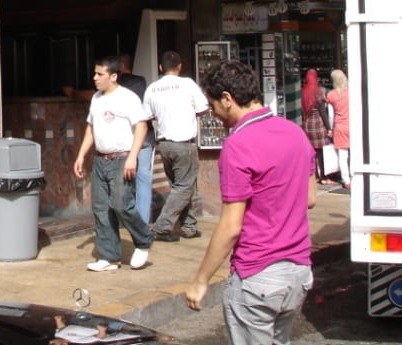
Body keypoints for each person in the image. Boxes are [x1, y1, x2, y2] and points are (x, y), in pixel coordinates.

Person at [186, 60, 315, 344]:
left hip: (257, 275)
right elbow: (310, 199)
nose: (213, 113)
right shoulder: (294, 132)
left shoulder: (237, 145)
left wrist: (201, 280)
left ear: (228, 99)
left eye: (213, 105)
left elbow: (231, 226)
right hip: (298, 272)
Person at [73, 56, 153, 272]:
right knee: (100, 208)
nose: (95, 78)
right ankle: (109, 256)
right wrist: (81, 155)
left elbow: (142, 127)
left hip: (121, 158)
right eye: (95, 73)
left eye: (100, 74)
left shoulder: (127, 98)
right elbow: (91, 128)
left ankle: (144, 239)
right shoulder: (97, 98)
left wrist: (132, 157)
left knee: (120, 204)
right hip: (101, 159)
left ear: (114, 76)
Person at [142, 51, 209, 241]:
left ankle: (189, 225)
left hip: (164, 145)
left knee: (180, 187)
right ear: (180, 66)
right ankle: (162, 226)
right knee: (184, 187)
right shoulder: (187, 84)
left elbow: (146, 115)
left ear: (160, 68)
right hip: (184, 144)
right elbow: (203, 109)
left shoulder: (153, 88)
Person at [118, 53, 153, 224]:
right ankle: (143, 223)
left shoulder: (116, 84)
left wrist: (73, 92)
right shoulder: (142, 81)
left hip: (127, 136)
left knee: (122, 176)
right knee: (144, 178)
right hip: (146, 135)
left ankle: (125, 218)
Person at [301, 68, 334, 185]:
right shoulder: (318, 91)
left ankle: (314, 175)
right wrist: (329, 127)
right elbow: (323, 112)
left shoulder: (303, 91)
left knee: (313, 152)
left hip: (308, 125)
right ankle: (324, 177)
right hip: (318, 125)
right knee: (321, 153)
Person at [327, 69, 351, 189]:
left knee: (343, 155)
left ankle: (346, 180)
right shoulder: (352, 92)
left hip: (340, 126)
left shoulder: (331, 95)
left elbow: (331, 115)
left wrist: (330, 128)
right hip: (353, 125)